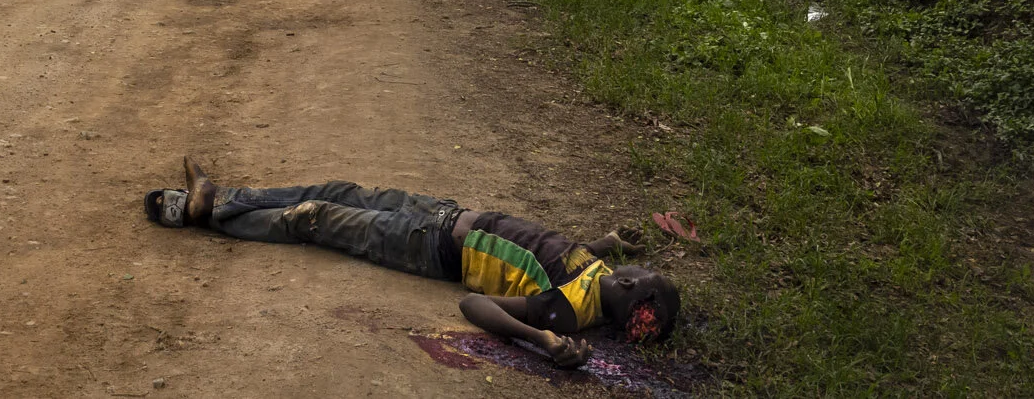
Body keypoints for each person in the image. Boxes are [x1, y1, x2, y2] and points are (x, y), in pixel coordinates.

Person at [143, 160, 680, 368]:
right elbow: (549, 255)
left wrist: (541, 341)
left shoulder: (565, 312)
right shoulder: (600, 279)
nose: (627, 272)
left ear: (630, 289)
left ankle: (205, 214)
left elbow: (474, 304)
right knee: (335, 191)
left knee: (316, 217)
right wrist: (609, 241)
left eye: (636, 279)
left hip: (430, 243)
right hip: (443, 214)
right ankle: (218, 199)